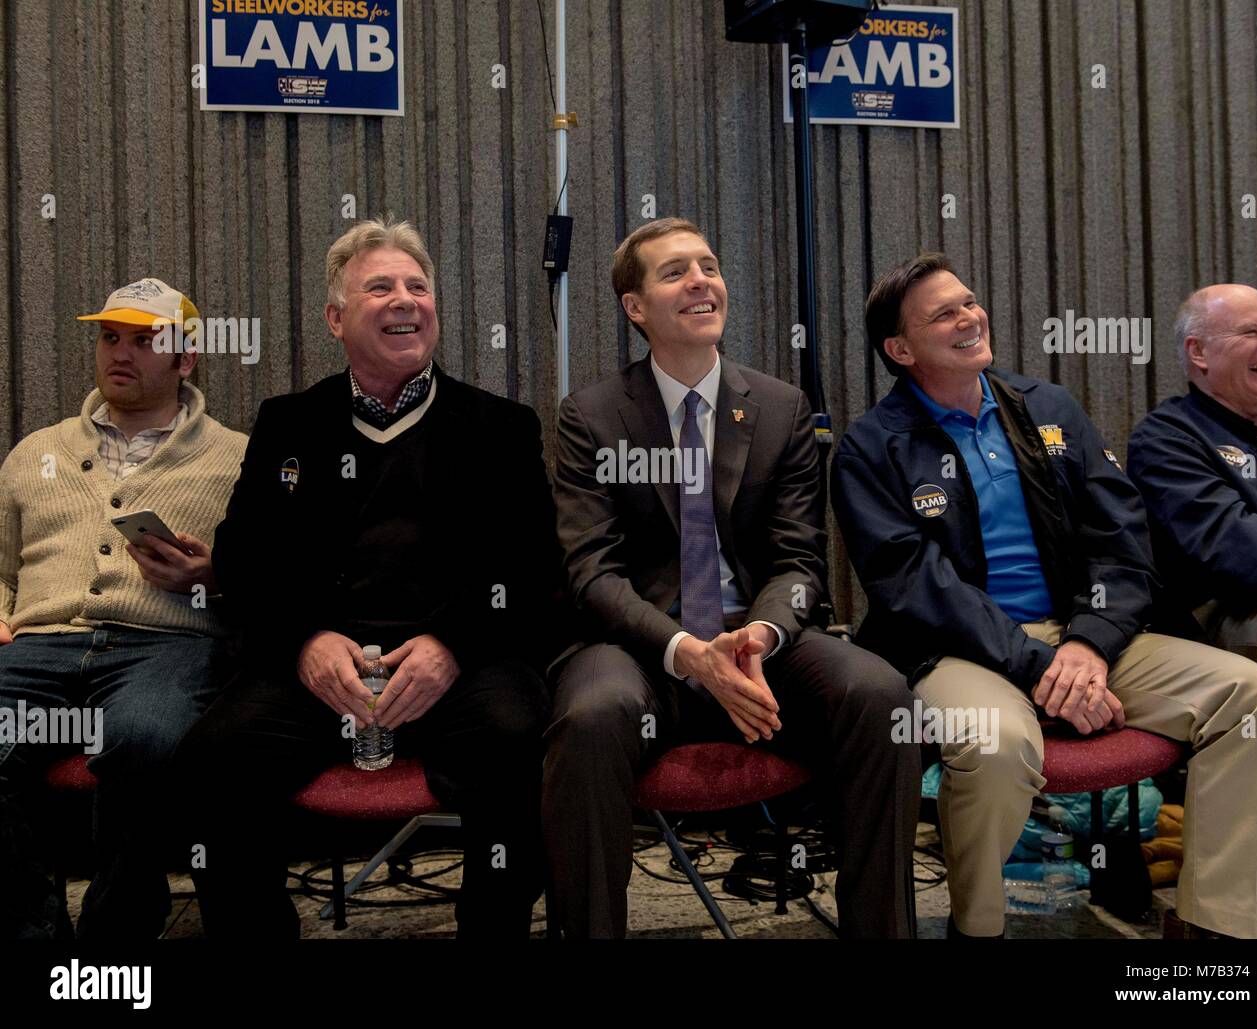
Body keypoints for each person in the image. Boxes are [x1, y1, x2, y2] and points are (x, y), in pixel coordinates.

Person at [831, 253, 1257, 939]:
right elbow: (916, 588)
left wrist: (1088, 642)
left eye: (970, 301)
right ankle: (976, 927)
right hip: (960, 649)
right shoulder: (871, 447)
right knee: (997, 742)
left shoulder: (1049, 408)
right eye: (943, 313)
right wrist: (1042, 666)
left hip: (1084, 637)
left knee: (1251, 694)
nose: (969, 316)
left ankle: (1212, 936)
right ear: (900, 348)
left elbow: (1123, 540)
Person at [175, 217, 559, 939]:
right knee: (213, 759)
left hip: (462, 662)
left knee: (518, 739)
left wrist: (451, 644)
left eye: (418, 286)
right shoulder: (289, 423)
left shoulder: (499, 427)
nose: (404, 299)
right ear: (335, 317)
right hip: (317, 665)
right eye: (379, 287)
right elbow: (242, 560)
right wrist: (305, 642)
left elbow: (533, 568)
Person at [544, 217, 920, 939]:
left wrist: (761, 633)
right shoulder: (591, 416)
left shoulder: (780, 409)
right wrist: (689, 650)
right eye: (674, 271)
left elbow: (801, 558)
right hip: (639, 646)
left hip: (758, 639)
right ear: (635, 307)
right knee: (590, 717)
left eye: (709, 266)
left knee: (881, 696)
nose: (700, 281)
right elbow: (591, 570)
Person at [0, 278, 246, 939]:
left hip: (166, 644)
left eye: (145, 340)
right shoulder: (36, 453)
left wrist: (214, 576)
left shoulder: (237, 459)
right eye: (111, 337)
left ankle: (118, 929)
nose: (121, 353)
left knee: (143, 737)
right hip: (40, 644)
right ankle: (31, 929)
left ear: (185, 358)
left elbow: (277, 578)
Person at [1127, 284, 1257, 720]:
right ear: (1198, 352)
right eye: (1250, 332)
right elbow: (1241, 554)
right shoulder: (1164, 442)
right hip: (1234, 619)